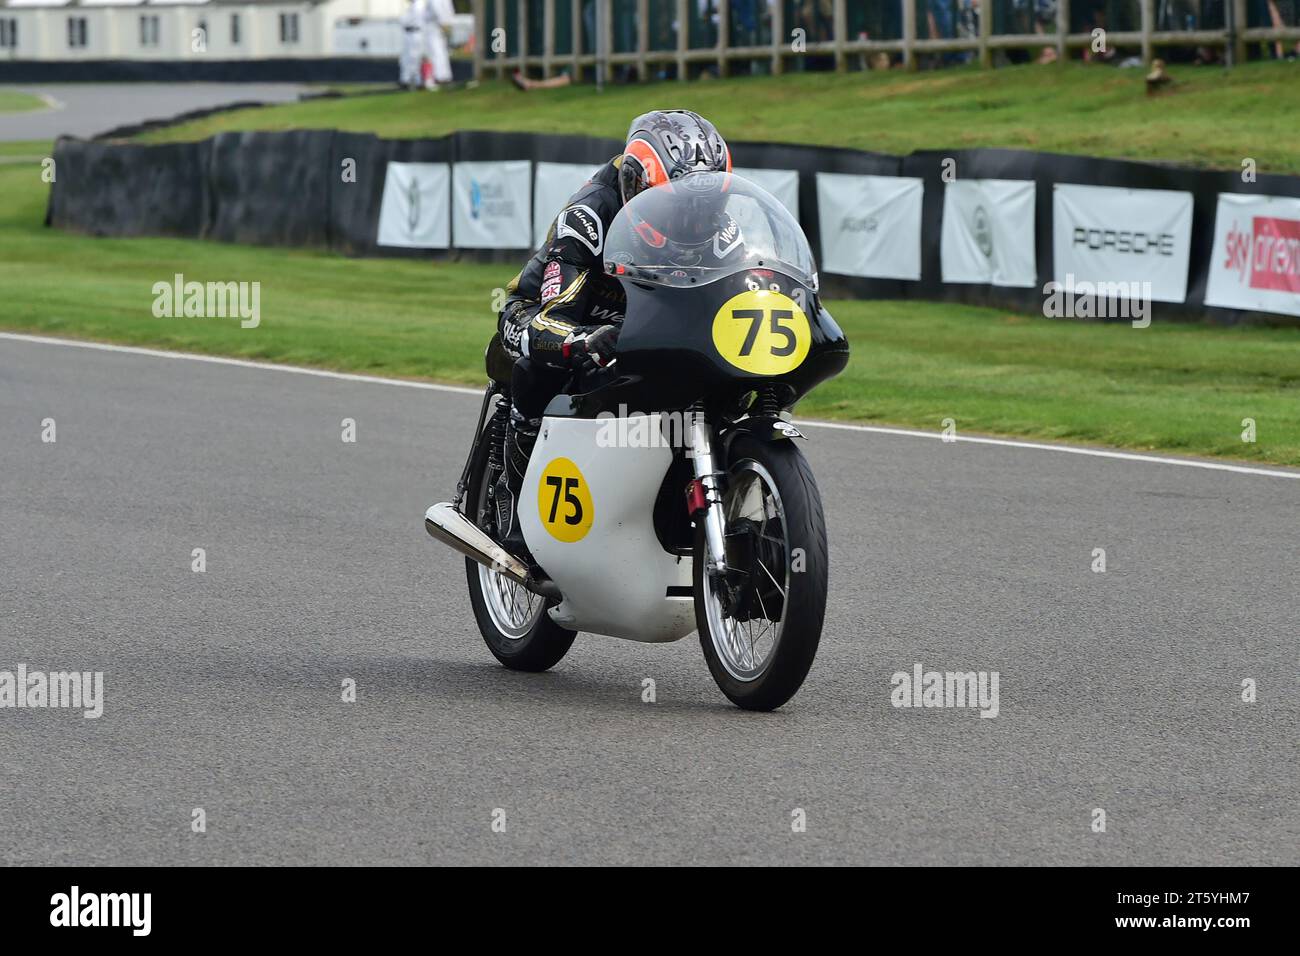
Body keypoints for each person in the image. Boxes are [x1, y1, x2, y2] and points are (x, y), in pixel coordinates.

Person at [492, 110, 732, 556]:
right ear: (638, 185)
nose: (692, 217)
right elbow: (554, 309)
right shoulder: (589, 215)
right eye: (677, 204)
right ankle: (516, 493)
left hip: (640, 322)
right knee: (545, 360)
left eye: (704, 203)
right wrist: (580, 338)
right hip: (549, 313)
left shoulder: (717, 224)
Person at [421, 0, 454, 88]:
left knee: (438, 52)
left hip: (435, 26)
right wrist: (446, 24)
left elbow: (441, 10)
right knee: (439, 52)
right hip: (436, 26)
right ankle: (442, 76)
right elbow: (443, 10)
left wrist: (445, 23)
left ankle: (441, 76)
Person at [398, 0, 422, 88]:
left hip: (414, 33)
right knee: (406, 58)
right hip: (409, 33)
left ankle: (414, 80)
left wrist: (402, 20)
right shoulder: (412, 5)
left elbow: (406, 19)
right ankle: (406, 79)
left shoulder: (417, 5)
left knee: (413, 57)